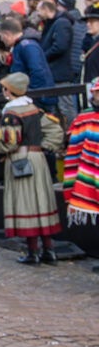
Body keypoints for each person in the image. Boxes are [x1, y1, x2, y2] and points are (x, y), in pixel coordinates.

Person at [0, 72, 64, 264]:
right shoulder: (35, 109)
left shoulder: (11, 113)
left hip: (19, 160)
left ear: (9, 91)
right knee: (40, 204)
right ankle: (49, 250)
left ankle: (32, 252)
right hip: (38, 159)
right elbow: (55, 131)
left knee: (26, 204)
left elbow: (8, 143)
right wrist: (41, 147)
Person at [63, 78, 99, 272]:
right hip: (90, 174)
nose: (97, 96)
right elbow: (74, 144)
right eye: (96, 93)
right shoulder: (85, 117)